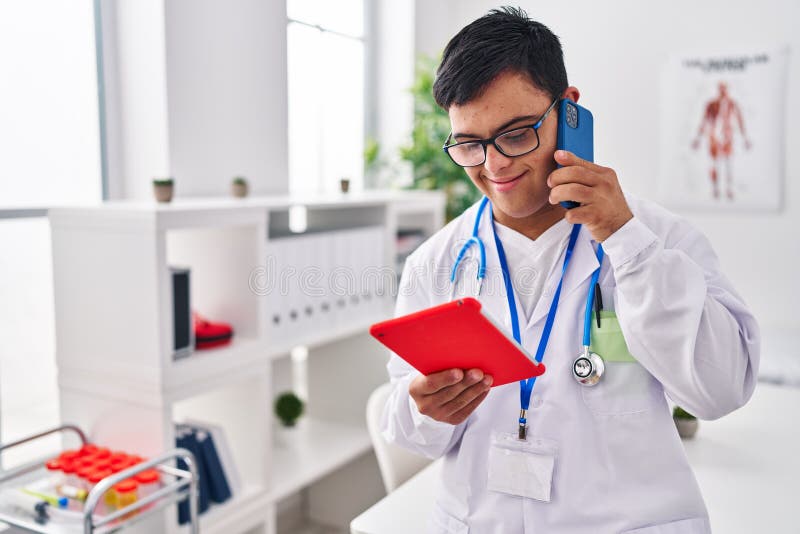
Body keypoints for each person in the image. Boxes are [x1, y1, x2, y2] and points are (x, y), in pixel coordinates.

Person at [380, 7, 759, 534]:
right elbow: (405, 423)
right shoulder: (437, 262)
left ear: (569, 110)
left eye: (515, 134)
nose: (494, 167)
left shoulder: (656, 238)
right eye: (469, 145)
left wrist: (627, 243)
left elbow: (722, 390)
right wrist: (426, 409)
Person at [691, 81, 752, 200]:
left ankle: (729, 189)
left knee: (728, 163)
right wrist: (698, 138)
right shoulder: (711, 104)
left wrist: (745, 138)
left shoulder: (732, 103)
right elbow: (704, 120)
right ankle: (715, 189)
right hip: (714, 136)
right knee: (715, 164)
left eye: (725, 89)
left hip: (727, 136)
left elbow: (740, 120)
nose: (723, 91)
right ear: (718, 90)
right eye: (721, 89)